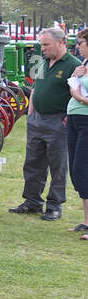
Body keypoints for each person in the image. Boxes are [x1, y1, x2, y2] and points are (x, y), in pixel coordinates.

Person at [10, 27, 79, 222]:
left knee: (58, 166)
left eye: (46, 45)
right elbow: (35, 87)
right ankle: (32, 201)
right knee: (32, 163)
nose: (43, 49)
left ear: (60, 43)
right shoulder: (41, 62)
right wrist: (31, 109)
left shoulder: (74, 65)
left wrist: (66, 118)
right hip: (37, 120)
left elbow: (79, 92)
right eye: (42, 45)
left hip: (58, 121)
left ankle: (55, 206)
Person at [65, 29, 88, 237]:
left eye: (80, 42)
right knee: (76, 170)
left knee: (82, 168)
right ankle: (86, 221)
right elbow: (73, 86)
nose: (78, 46)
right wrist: (74, 76)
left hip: (86, 120)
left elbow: (79, 93)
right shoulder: (84, 65)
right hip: (74, 118)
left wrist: (79, 98)